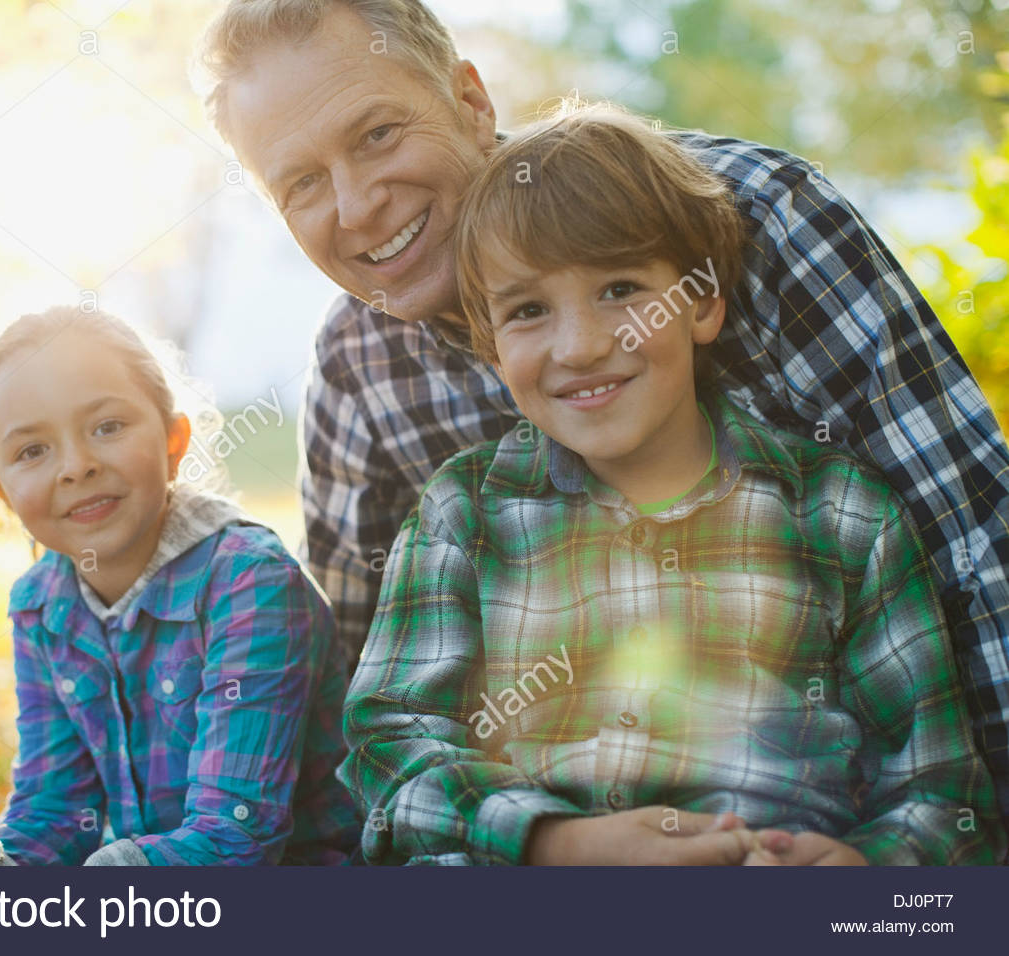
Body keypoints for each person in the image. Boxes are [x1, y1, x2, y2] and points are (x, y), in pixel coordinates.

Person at [195, 0, 1009, 837]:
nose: (358, 204)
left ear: (471, 102)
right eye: (301, 182)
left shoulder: (750, 216)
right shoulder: (360, 370)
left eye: (377, 135)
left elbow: (976, 554)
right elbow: (364, 712)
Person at [339, 105, 1006, 866]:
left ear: (703, 302)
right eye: (528, 310)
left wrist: (865, 868)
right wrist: (558, 843)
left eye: (622, 289)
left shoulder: (841, 514)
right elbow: (390, 747)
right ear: (491, 347)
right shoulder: (462, 516)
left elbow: (942, 792)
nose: (583, 345)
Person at [0, 306, 358, 865]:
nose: (76, 465)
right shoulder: (39, 606)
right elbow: (55, 808)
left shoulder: (250, 583)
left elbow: (237, 838)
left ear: (174, 441)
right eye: (32, 450)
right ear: (2, 491)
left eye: (107, 427)